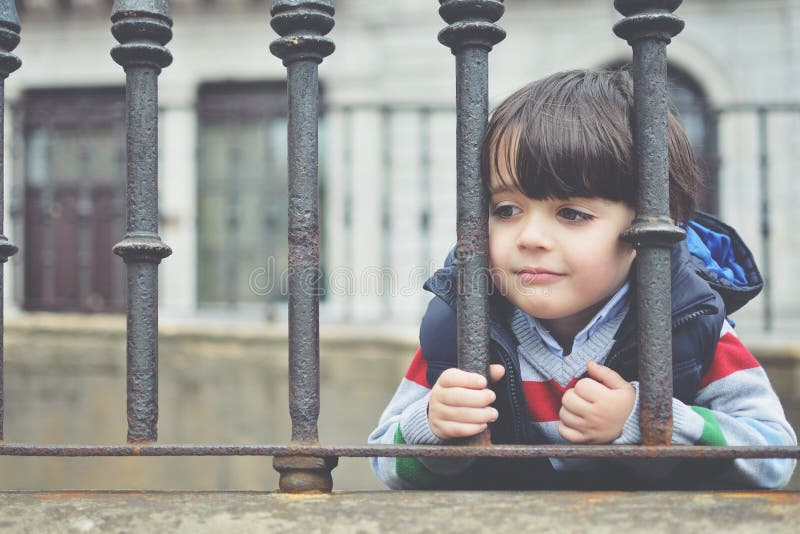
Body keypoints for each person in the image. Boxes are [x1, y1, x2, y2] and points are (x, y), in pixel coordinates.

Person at [368, 69, 797, 490]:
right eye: (505, 209)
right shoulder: (462, 323)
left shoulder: (688, 321)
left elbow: (773, 456)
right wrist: (430, 428)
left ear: (649, 228)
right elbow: (382, 458)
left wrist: (650, 421)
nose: (530, 238)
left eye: (572, 213)